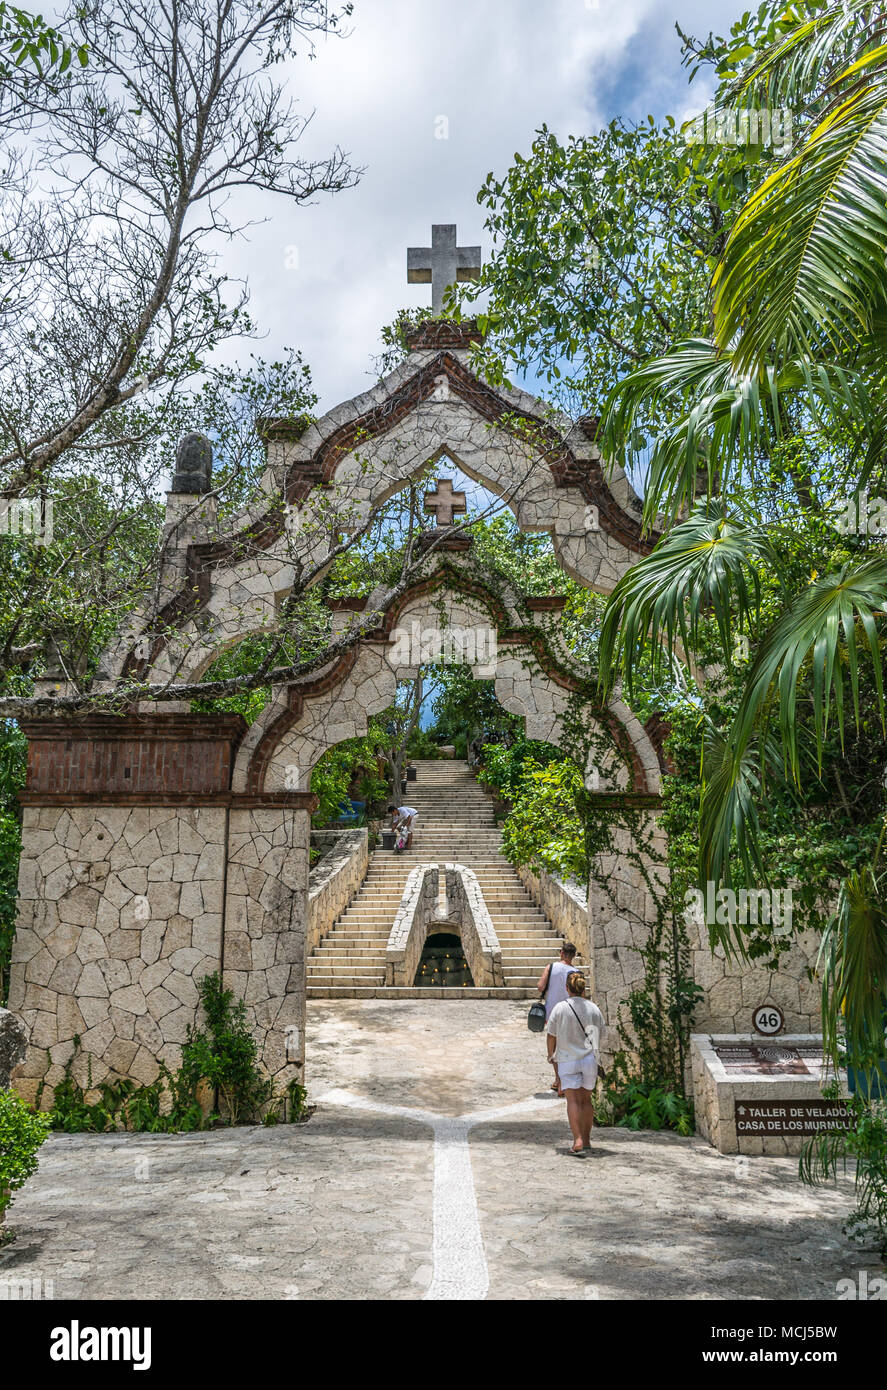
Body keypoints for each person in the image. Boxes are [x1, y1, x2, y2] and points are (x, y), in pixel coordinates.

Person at [546, 971, 604, 1156]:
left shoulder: (560, 1008)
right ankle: (586, 1140)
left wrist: (550, 1054)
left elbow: (551, 1035)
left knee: (573, 1101)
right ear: (583, 988)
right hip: (589, 1060)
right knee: (586, 1100)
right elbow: (600, 1034)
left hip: (568, 1060)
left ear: (567, 988)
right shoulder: (594, 1009)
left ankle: (577, 1139)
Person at [536, 942, 578, 1094]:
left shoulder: (551, 967)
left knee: (554, 1047)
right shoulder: (576, 972)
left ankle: (558, 1080)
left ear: (561, 953)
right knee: (566, 1047)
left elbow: (540, 986)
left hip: (552, 1013)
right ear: (573, 956)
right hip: (570, 1013)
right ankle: (565, 1081)